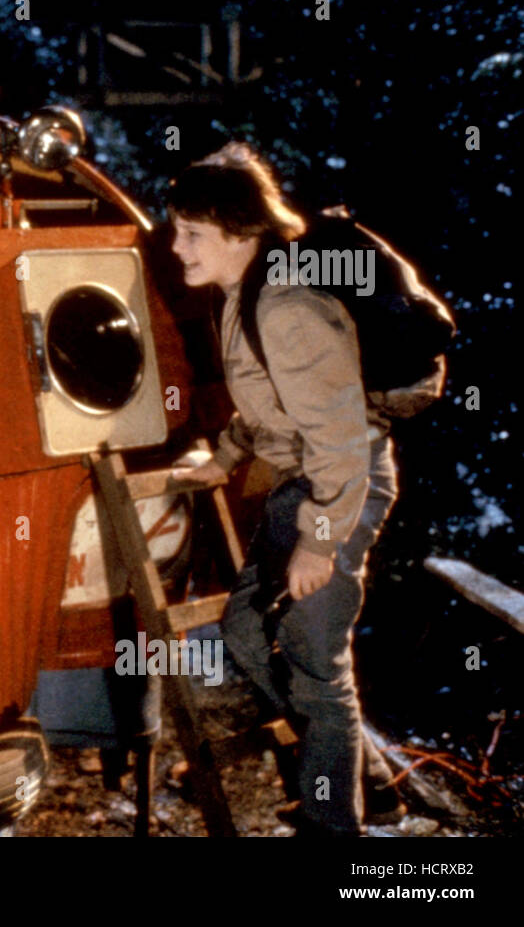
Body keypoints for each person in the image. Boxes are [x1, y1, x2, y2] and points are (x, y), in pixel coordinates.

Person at [167, 143, 405, 837]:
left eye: (192, 234)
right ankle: (367, 779)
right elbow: (272, 407)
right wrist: (223, 458)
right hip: (304, 486)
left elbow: (339, 440)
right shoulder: (247, 296)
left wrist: (319, 542)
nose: (177, 248)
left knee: (316, 666)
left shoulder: (286, 306)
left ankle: (334, 827)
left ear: (240, 232)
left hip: (340, 489)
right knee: (245, 629)